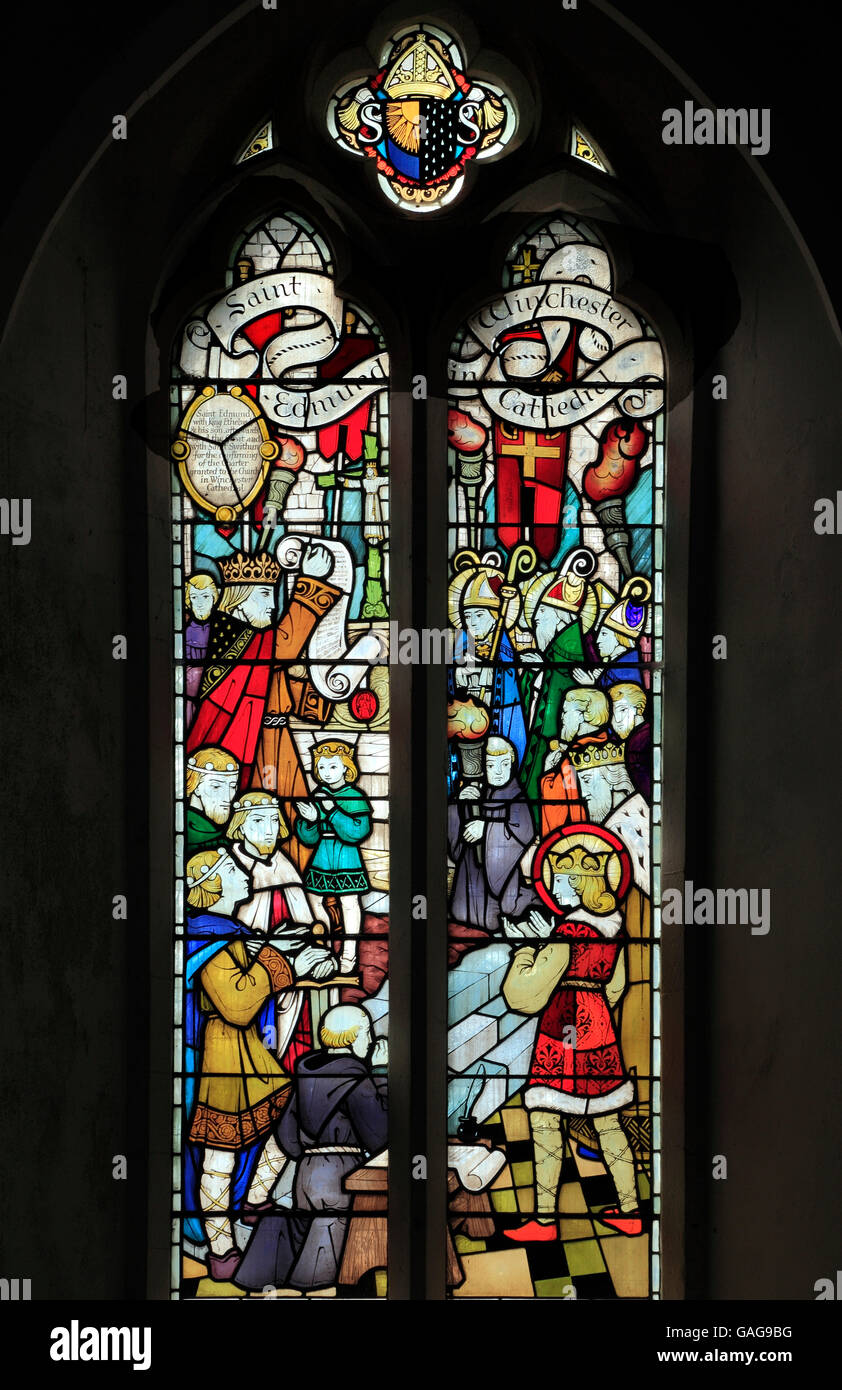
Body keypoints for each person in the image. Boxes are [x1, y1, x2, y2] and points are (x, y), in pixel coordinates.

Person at [501, 825, 643, 1240]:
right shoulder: (612, 928)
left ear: (583, 884)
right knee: (609, 1121)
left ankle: (545, 1220)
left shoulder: (568, 932)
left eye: (561, 881)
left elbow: (525, 995)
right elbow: (615, 987)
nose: (554, 889)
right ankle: (631, 1210)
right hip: (598, 1030)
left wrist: (526, 947)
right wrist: (594, 1013)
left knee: (546, 1119)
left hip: (562, 1029)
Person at [183, 846, 299, 1281]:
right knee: (219, 1156)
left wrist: (278, 954)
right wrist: (279, 959)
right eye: (232, 868)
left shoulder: (226, 931)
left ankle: (253, 1198)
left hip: (247, 1054)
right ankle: (221, 1248)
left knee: (288, 1114)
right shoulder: (207, 936)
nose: (242, 870)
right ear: (210, 888)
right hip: (224, 1059)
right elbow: (236, 1003)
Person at [234, 1004, 388, 1296]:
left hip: (306, 1175)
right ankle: (313, 1288)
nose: (370, 1040)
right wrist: (380, 1072)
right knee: (328, 1248)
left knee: (302, 1228)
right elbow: (380, 1134)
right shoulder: (355, 1076)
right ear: (353, 1039)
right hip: (341, 1174)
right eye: (367, 1033)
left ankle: (265, 1277)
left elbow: (287, 1137)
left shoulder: (306, 1076)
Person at [228, 790, 336, 1068]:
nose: (268, 831)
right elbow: (221, 942)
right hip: (250, 985)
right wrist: (271, 952)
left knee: (295, 1053)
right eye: (258, 822)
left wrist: (322, 958)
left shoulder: (285, 865)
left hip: (296, 987)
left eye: (274, 821)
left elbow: (312, 926)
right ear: (239, 826)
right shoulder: (229, 870)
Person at [294, 741, 373, 975]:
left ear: (346, 769)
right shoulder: (318, 795)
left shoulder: (354, 795)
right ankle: (324, 948)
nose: (327, 773)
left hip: (346, 855)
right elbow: (308, 838)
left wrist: (331, 811)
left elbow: (358, 831)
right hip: (323, 854)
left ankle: (349, 955)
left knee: (349, 904)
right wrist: (310, 819)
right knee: (314, 900)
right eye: (322, 768)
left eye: (333, 767)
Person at [448, 735, 537, 935]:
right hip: (471, 870)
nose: (498, 771)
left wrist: (486, 829)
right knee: (463, 913)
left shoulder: (516, 797)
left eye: (504, 764)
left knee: (497, 913)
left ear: (513, 764)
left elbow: (523, 831)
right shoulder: (480, 793)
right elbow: (457, 832)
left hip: (500, 873)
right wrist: (460, 803)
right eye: (490, 765)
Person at [186, 747, 240, 851]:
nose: (228, 797)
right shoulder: (183, 829)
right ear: (195, 787)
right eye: (216, 786)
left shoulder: (230, 833)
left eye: (232, 786)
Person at [184, 573, 219, 729]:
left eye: (205, 597)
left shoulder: (222, 629)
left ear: (214, 598)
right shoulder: (183, 631)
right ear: (188, 601)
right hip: (191, 699)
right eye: (194, 598)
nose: (199, 604)